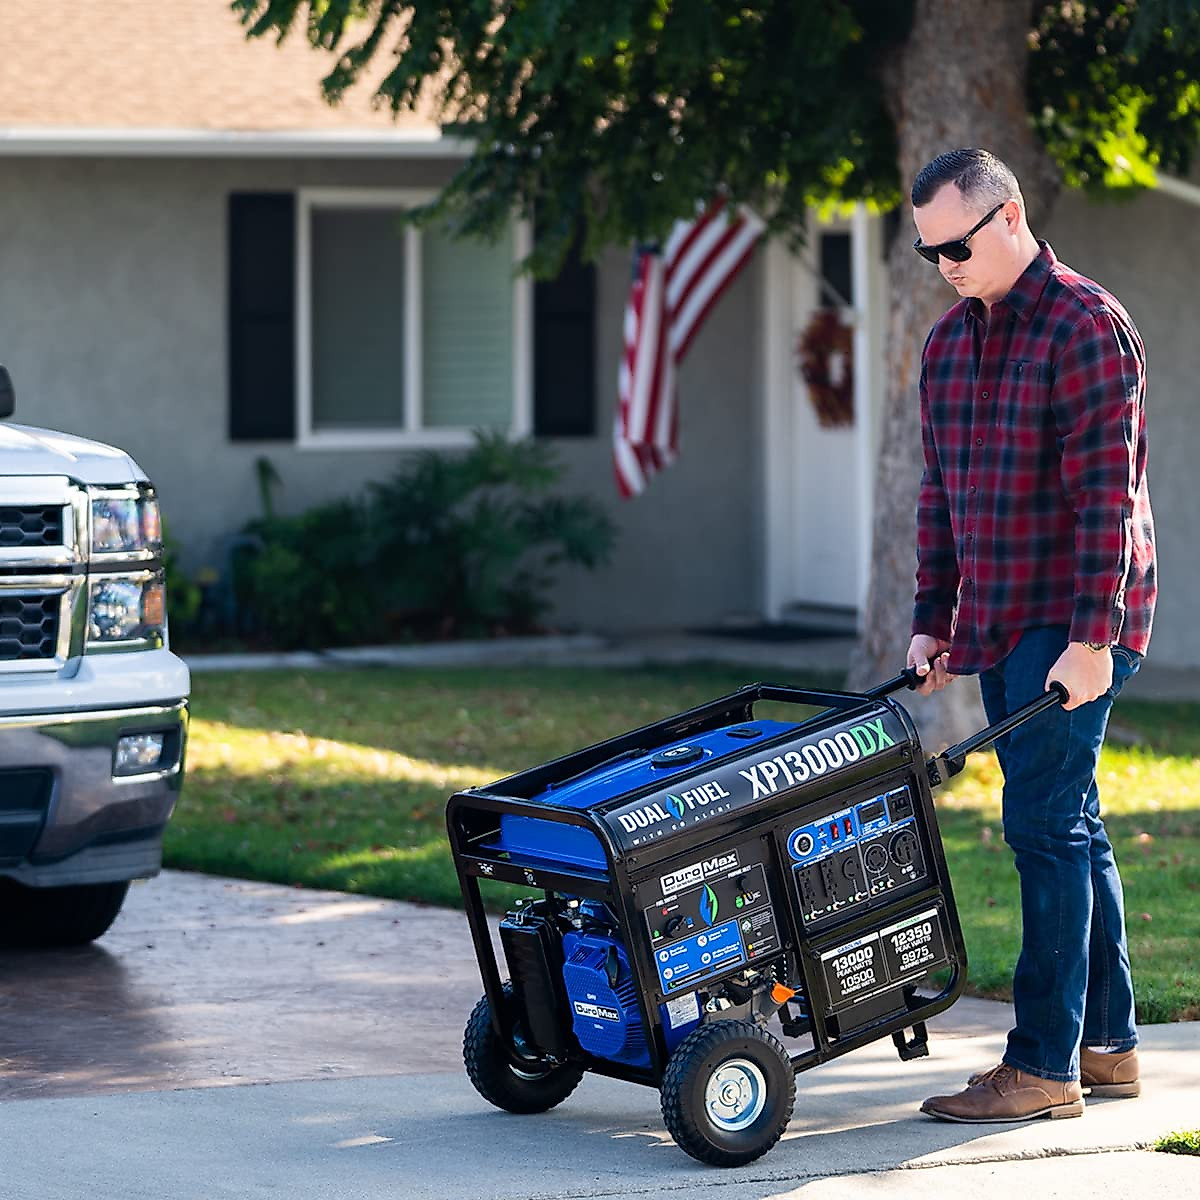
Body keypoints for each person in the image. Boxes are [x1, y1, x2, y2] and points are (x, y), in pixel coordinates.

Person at [905, 148, 1156, 1123]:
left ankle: (1042, 1068)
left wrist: (1092, 640)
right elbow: (942, 497)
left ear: (1009, 217)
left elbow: (1109, 501)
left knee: (1045, 827)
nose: (946, 266)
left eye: (958, 245)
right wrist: (934, 619)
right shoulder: (945, 345)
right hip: (1004, 620)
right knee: (1072, 827)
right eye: (930, 253)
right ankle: (1110, 1047)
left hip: (1076, 623)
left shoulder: (1087, 326)